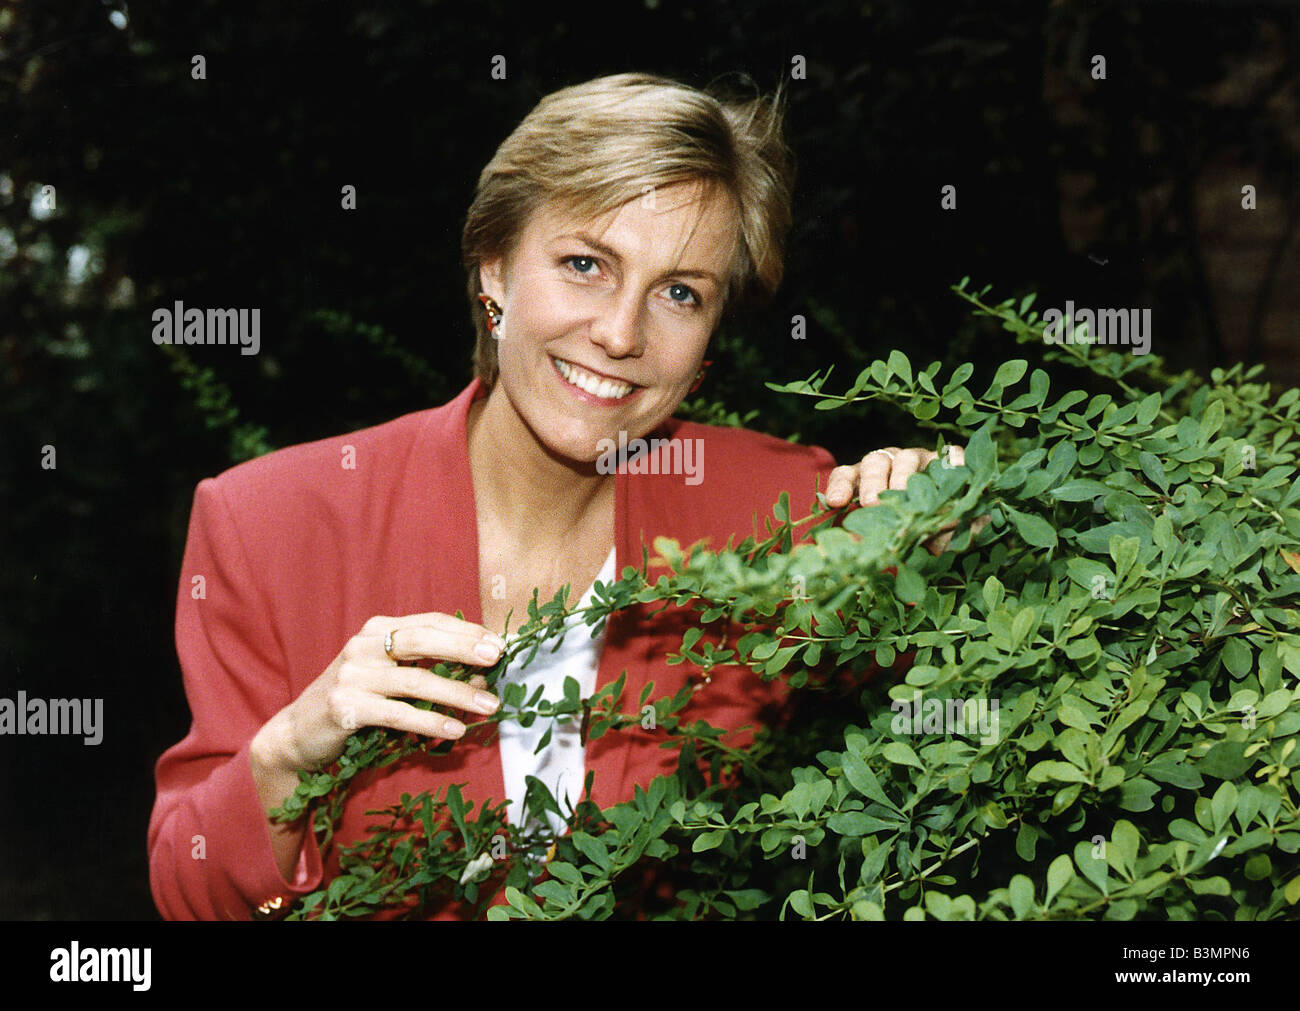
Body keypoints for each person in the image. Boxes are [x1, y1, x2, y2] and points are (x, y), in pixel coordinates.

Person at [147, 72, 955, 921]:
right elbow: (190, 893)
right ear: (493, 266)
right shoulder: (270, 523)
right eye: (585, 265)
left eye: (681, 292)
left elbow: (945, 713)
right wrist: (289, 755)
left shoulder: (780, 510)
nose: (621, 333)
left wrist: (946, 542)